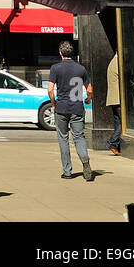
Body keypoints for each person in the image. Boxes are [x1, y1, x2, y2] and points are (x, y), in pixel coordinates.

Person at [48, 41, 93, 181]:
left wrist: (54, 103)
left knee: (63, 138)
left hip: (61, 107)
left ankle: (67, 171)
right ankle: (85, 160)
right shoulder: (81, 69)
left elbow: (50, 89)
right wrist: (88, 99)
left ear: (60, 53)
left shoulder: (55, 68)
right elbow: (89, 89)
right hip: (77, 108)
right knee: (79, 137)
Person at [106, 52, 122, 156]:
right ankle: (112, 142)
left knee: (118, 122)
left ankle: (116, 145)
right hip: (117, 98)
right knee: (121, 123)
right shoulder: (117, 62)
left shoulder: (113, 62)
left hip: (114, 98)